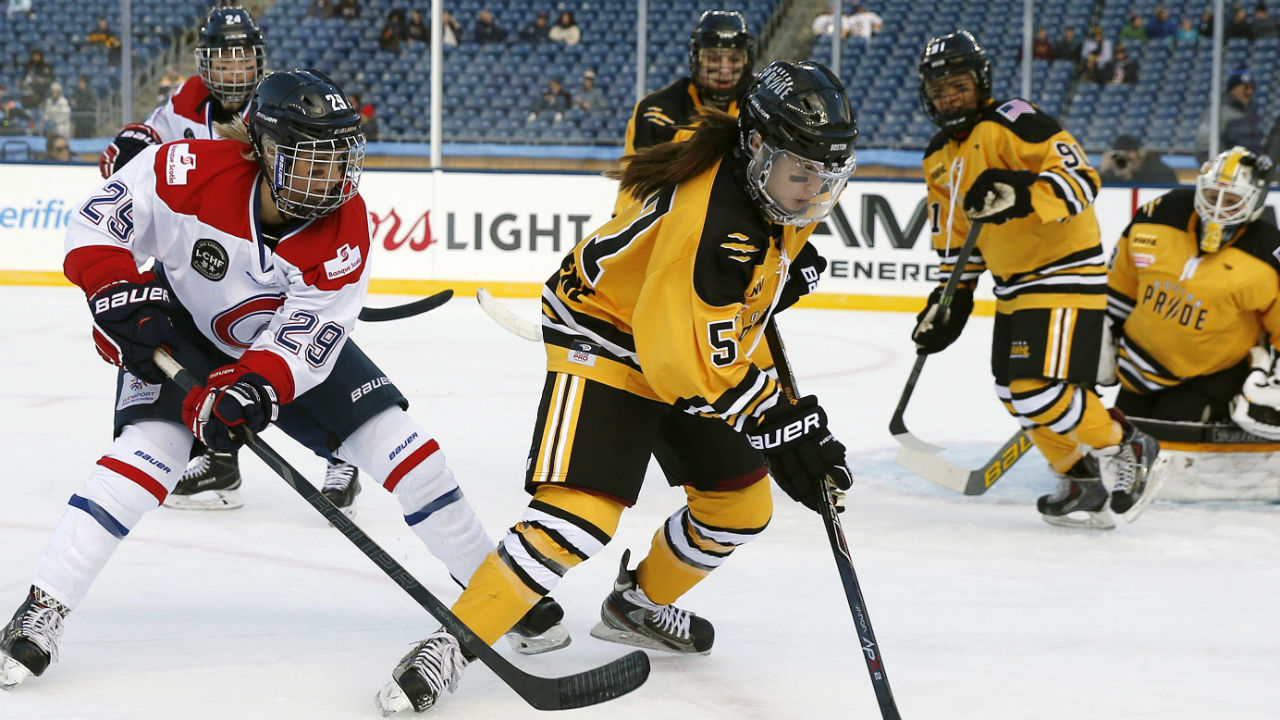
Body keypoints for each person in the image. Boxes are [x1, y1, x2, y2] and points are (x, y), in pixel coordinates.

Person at [0, 68, 568, 692]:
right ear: (265, 150)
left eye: (339, 159)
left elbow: (308, 337)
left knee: (411, 452)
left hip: (283, 349)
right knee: (144, 457)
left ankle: (494, 590)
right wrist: (114, 288)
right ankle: (46, 604)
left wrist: (254, 386)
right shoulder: (185, 170)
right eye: (311, 160)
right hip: (182, 329)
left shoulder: (345, 224)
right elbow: (97, 223)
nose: (332, 178)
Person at [373, 60, 858, 715]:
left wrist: (772, 306)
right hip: (604, 336)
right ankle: (451, 644)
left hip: (673, 335)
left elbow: (718, 320)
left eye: (825, 179)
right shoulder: (718, 222)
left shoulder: (763, 182)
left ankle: (637, 605)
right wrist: (780, 423)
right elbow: (675, 358)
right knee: (576, 520)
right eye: (801, 175)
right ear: (757, 146)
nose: (810, 194)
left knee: (739, 507)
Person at [97, 6, 357, 515]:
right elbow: (146, 150)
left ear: (259, 61)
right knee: (189, 350)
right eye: (225, 60)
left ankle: (340, 451)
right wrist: (130, 146)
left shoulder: (277, 106)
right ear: (204, 63)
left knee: (296, 358)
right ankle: (219, 458)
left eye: (245, 60)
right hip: (202, 257)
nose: (236, 72)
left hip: (271, 258)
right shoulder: (183, 107)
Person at [913, 30, 1168, 530]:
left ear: (981, 82)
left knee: (1035, 389)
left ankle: (1127, 445)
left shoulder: (1013, 119)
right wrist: (948, 302)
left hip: (1064, 269)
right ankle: (1082, 479)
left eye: (959, 85)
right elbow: (955, 241)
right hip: (1014, 282)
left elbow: (1080, 180)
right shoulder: (936, 156)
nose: (950, 97)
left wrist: (1019, 191)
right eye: (940, 89)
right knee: (1014, 391)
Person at [1106, 147, 1280, 440]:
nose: (1218, 208)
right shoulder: (1159, 214)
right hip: (1139, 364)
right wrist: (1095, 341)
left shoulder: (1268, 254)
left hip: (1212, 376)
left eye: (1233, 200)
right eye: (1213, 196)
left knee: (1166, 445)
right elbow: (1120, 287)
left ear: (1255, 202)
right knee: (1121, 439)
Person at [1196, 67, 1265, 162]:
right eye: (1245, 87)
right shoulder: (1218, 112)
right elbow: (1204, 147)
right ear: (1232, 88)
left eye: (1252, 87)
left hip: (1251, 171)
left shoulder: (1254, 112)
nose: (1249, 92)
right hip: (1227, 172)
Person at [1098, 134, 1178, 184]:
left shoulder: (1159, 171)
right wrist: (1102, 172)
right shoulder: (1112, 174)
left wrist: (1129, 178)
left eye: (1128, 157)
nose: (1124, 161)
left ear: (1139, 153)